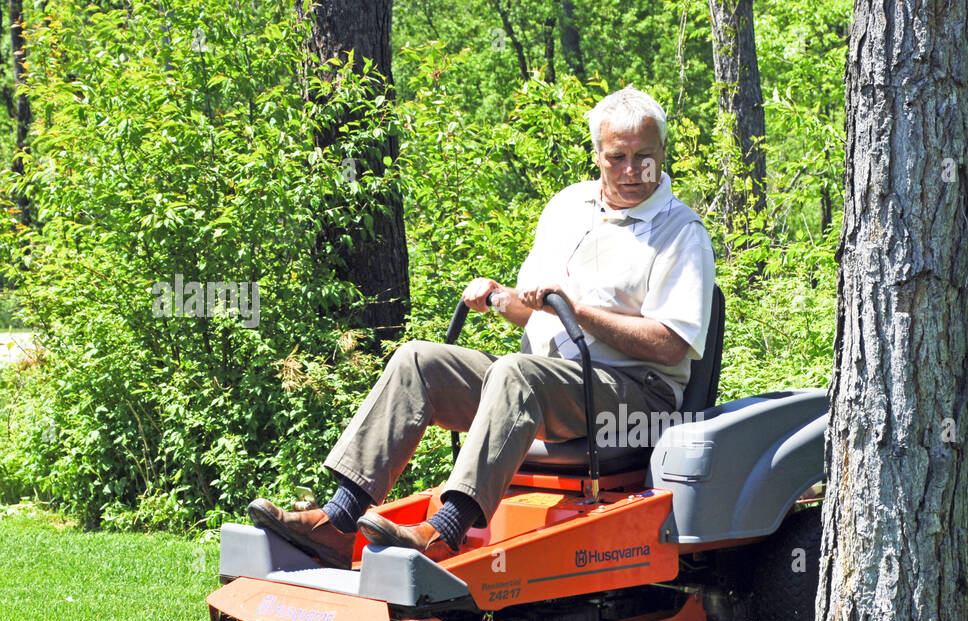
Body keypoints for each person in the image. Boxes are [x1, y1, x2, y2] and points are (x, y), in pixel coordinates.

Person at [248, 86, 716, 568]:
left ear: (663, 153)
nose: (631, 169)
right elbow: (535, 310)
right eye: (617, 156)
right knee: (417, 359)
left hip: (634, 395)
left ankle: (444, 531)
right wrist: (499, 299)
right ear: (597, 155)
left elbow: (671, 344)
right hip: (547, 383)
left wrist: (578, 310)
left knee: (517, 373)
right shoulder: (566, 209)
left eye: (644, 156)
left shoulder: (681, 233)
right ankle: (339, 522)